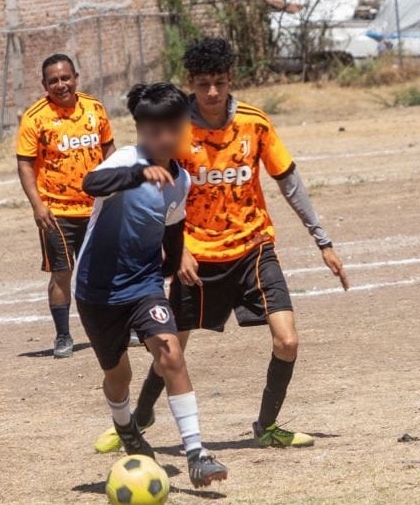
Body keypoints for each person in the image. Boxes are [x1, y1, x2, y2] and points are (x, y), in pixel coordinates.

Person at [94, 38, 348, 455]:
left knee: (288, 341)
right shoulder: (175, 131)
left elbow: (289, 182)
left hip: (253, 248)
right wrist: (175, 252)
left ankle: (266, 426)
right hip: (197, 255)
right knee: (168, 350)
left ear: (231, 79)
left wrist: (324, 241)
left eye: (220, 82)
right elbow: (155, 195)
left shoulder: (254, 123)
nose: (212, 92)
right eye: (203, 83)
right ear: (190, 82)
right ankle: (138, 419)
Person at [75, 82, 227, 489]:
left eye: (171, 129)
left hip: (144, 285)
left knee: (170, 352)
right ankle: (126, 427)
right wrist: (137, 173)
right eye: (152, 130)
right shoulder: (127, 159)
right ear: (140, 130)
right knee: (118, 375)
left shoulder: (181, 181)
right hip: (97, 289)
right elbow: (91, 184)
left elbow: (173, 230)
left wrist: (173, 267)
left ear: (184, 128)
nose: (163, 139)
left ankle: (196, 453)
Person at [16, 54, 115, 359]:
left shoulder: (94, 108)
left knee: (108, 269)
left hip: (96, 208)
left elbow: (109, 147)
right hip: (56, 211)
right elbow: (25, 164)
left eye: (65, 78)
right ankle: (63, 336)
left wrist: (114, 187)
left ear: (76, 77)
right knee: (62, 272)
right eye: (53, 80)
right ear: (44, 84)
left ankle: (121, 328)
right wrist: (37, 205)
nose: (61, 85)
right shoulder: (35, 117)